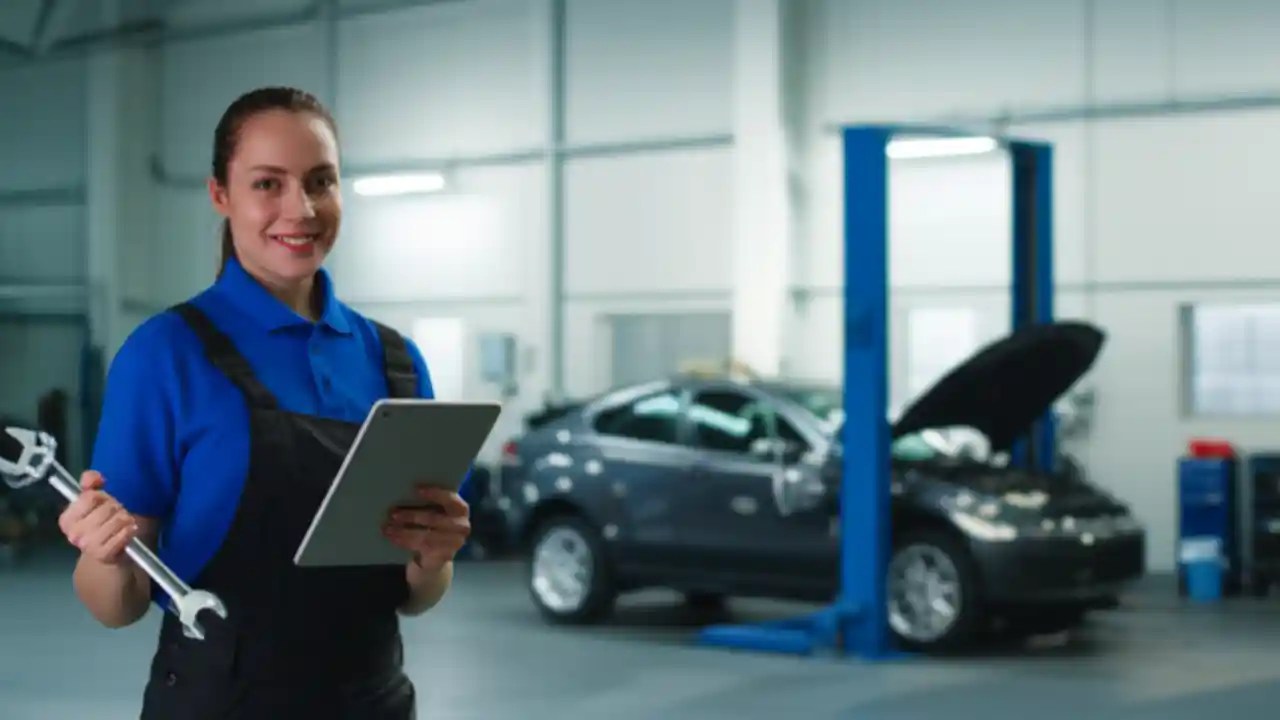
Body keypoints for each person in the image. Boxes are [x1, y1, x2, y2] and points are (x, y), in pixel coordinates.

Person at [55, 86, 470, 719]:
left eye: (320, 181)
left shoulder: (396, 362)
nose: (300, 209)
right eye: (267, 184)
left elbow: (415, 596)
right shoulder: (165, 354)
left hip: (372, 701)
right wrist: (104, 554)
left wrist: (434, 557)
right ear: (220, 194)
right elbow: (118, 605)